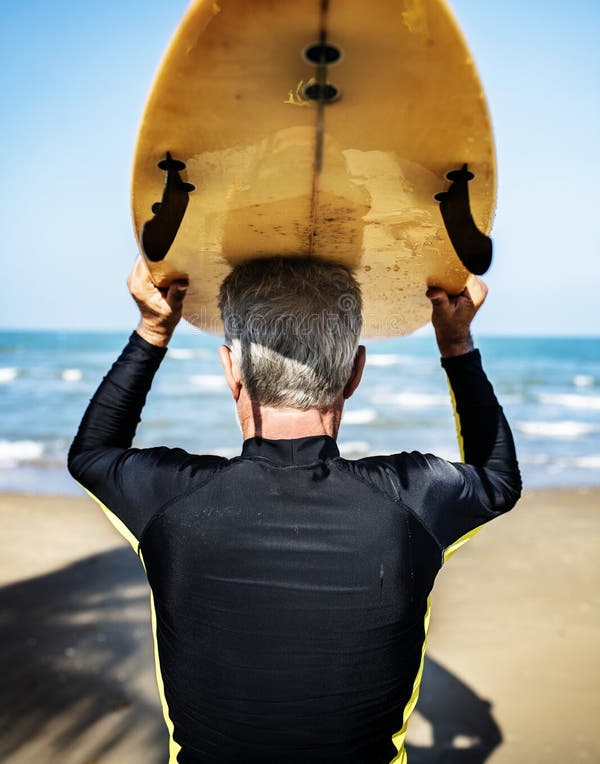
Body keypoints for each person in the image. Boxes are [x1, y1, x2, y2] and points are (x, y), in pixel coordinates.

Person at [69, 255, 520, 764]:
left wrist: (153, 329)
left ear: (230, 371)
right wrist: (456, 344)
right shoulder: (412, 502)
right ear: (354, 373)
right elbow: (498, 479)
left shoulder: (170, 501)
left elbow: (92, 454)